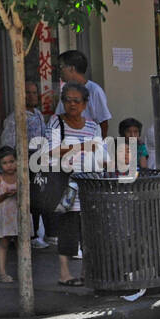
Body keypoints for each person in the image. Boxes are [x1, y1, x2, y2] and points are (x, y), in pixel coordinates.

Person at [45, 81, 109, 286]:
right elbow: (50, 151)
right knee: (67, 227)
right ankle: (64, 273)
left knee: (89, 230)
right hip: (65, 183)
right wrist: (82, 146)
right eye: (67, 100)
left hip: (89, 183)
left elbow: (100, 154)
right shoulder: (56, 122)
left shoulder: (93, 126)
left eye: (76, 101)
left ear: (85, 104)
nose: (71, 105)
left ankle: (85, 272)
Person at [0, 79, 53, 248]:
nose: (31, 96)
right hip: (24, 163)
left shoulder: (37, 115)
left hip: (39, 162)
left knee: (39, 200)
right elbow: (7, 145)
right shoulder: (14, 118)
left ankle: (38, 233)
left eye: (33, 92)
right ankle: (27, 235)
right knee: (26, 201)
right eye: (27, 93)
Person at [56, 50, 112, 137]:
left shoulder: (94, 90)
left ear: (71, 68)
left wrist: (100, 145)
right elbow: (59, 117)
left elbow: (103, 122)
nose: (59, 71)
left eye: (61, 67)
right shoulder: (65, 91)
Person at [0, 146, 19, 283]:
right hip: (5, 214)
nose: (9, 165)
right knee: (4, 242)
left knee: (22, 243)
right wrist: (6, 195)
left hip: (19, 213)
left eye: (12, 161)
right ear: (0, 165)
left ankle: (23, 271)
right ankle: (2, 273)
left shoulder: (21, 176)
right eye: (5, 163)